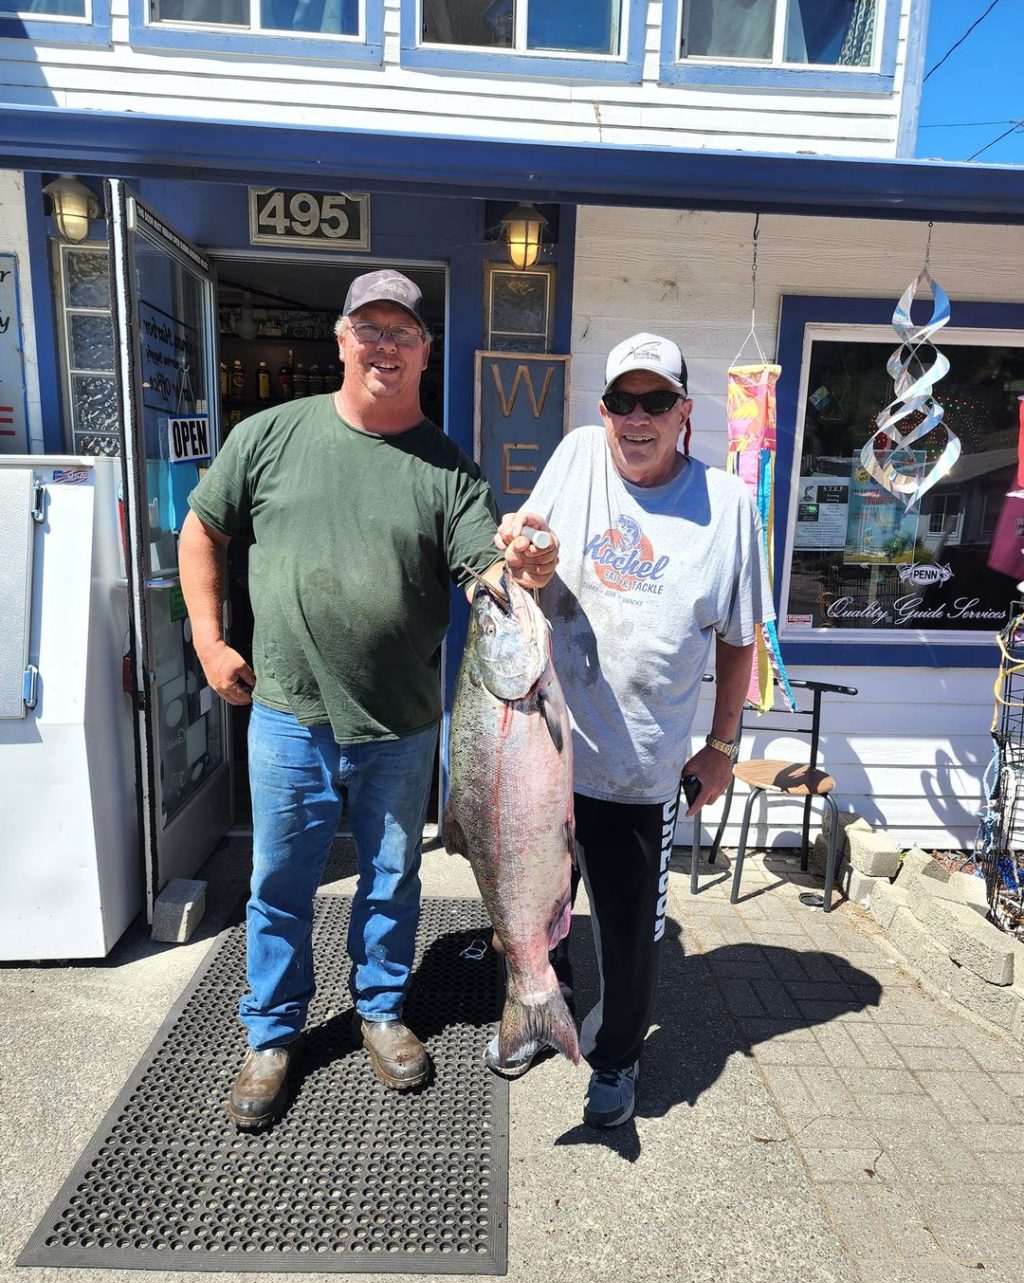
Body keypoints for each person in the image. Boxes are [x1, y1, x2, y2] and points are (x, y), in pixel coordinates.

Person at [178, 268, 556, 1130]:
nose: (385, 344)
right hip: (287, 712)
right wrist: (206, 637)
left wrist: (522, 571)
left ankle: (381, 1012)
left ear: (426, 351)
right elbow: (203, 527)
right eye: (369, 328)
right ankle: (272, 1036)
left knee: (392, 878)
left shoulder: (447, 467)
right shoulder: (270, 434)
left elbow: (484, 574)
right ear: (342, 339)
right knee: (279, 882)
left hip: (401, 724)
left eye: (403, 332)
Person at [490, 332, 773, 1128]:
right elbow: (525, 548)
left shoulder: (727, 509)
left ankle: (615, 1059)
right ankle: (538, 1011)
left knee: (628, 939)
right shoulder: (579, 456)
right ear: (605, 409)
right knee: (529, 909)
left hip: (638, 771)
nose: (636, 418)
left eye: (656, 402)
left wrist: (721, 747)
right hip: (541, 752)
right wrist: (522, 552)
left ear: (686, 412)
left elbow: (739, 635)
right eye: (622, 401)